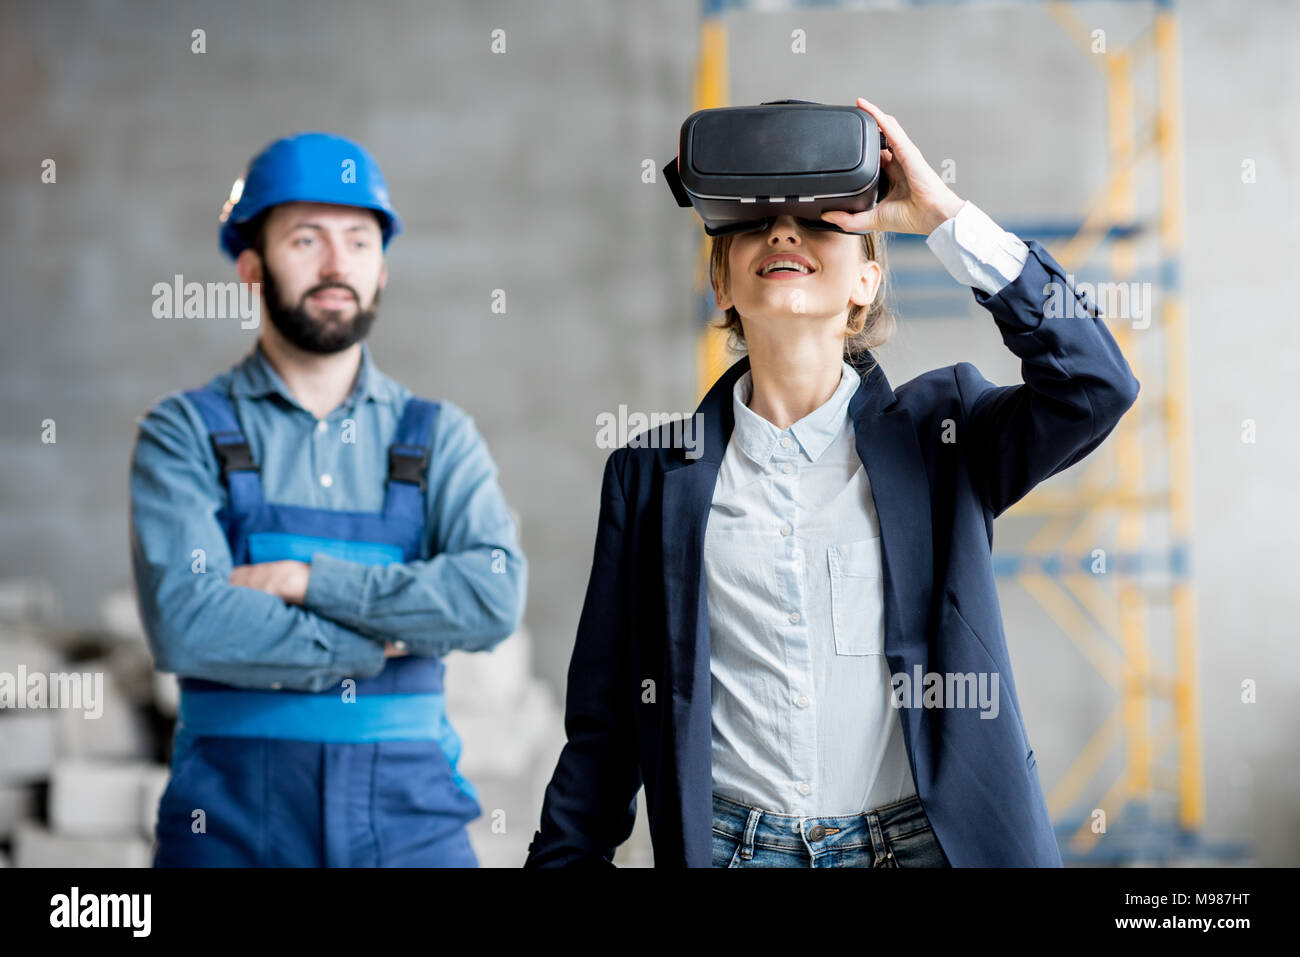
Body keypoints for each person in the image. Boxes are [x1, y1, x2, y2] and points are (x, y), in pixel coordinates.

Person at [525, 98, 1139, 867]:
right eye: (753, 223)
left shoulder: (943, 437)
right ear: (722, 285)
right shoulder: (648, 476)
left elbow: (1095, 384)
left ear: (868, 279)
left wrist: (943, 218)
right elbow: (605, 729)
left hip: (921, 848)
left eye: (821, 221)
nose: (783, 231)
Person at [130, 131, 527, 866]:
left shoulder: (440, 437)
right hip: (229, 826)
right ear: (251, 269)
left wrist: (306, 582)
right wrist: (386, 635)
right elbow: (187, 622)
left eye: (359, 240)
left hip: (412, 825)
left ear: (382, 272)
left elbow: (492, 598)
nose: (337, 264)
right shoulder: (182, 432)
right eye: (305, 240)